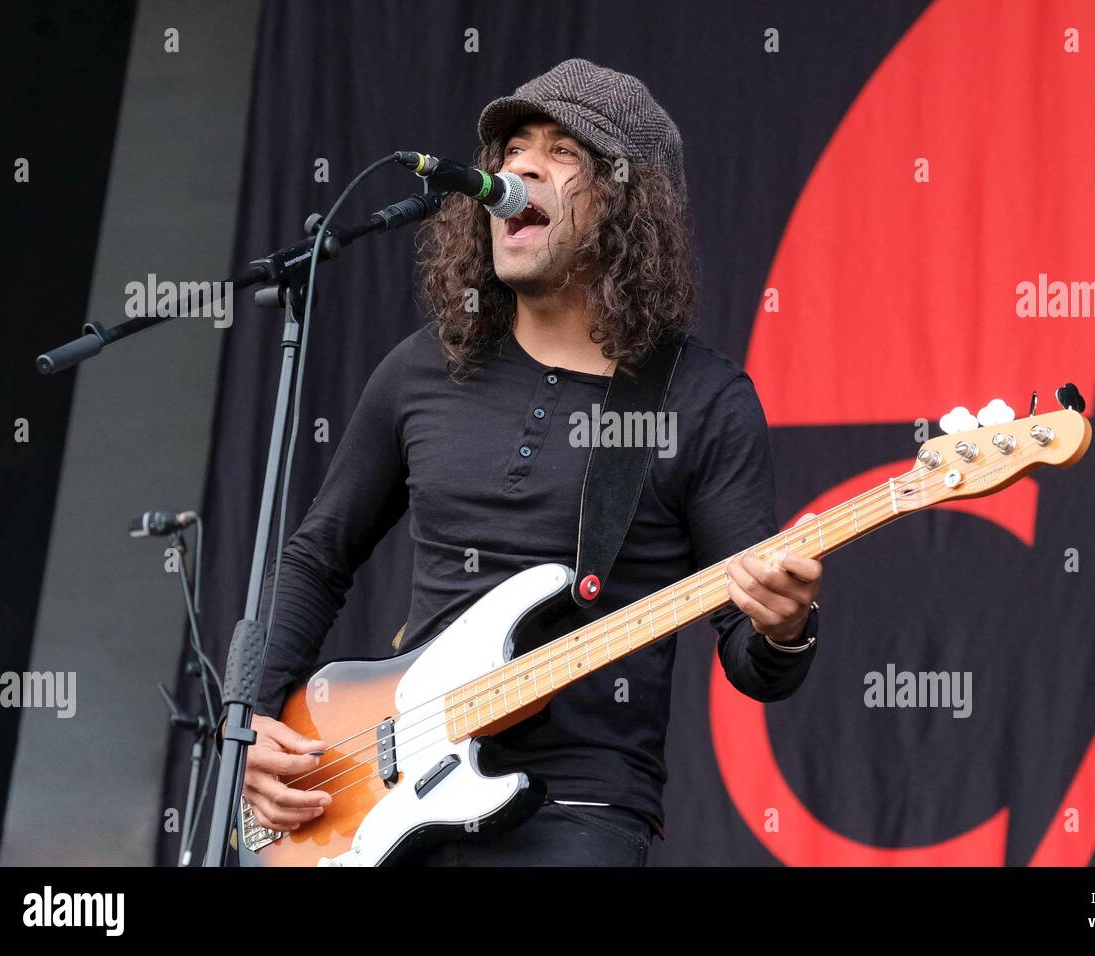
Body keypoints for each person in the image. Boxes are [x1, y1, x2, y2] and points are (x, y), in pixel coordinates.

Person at [242, 58, 824, 866]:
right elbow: (317, 555)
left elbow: (754, 659)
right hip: (381, 792)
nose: (519, 167)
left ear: (629, 202)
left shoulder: (703, 401)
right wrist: (252, 721)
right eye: (512, 148)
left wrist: (784, 628)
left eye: (561, 152)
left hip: (577, 807)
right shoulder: (423, 369)